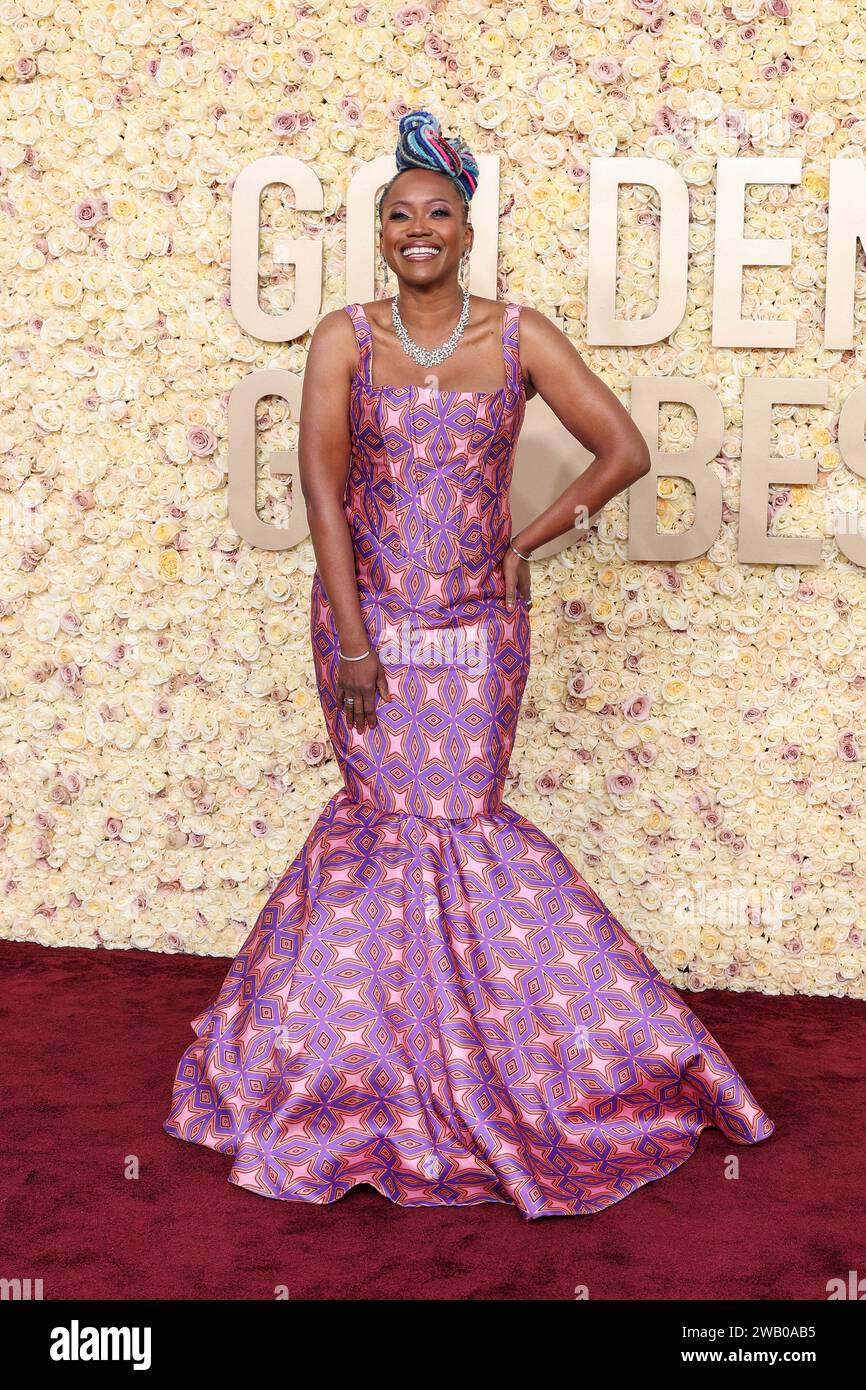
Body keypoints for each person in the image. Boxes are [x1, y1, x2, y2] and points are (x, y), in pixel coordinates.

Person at [163, 109, 775, 1219]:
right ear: (379, 233)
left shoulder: (518, 334)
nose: (418, 229)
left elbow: (626, 449)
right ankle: (357, 1074)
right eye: (399, 214)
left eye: (436, 213)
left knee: (461, 827)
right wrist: (355, 638)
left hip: (477, 635)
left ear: (466, 229)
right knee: (382, 829)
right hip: (370, 626)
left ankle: (501, 1065)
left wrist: (526, 543)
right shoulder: (345, 339)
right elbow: (321, 492)